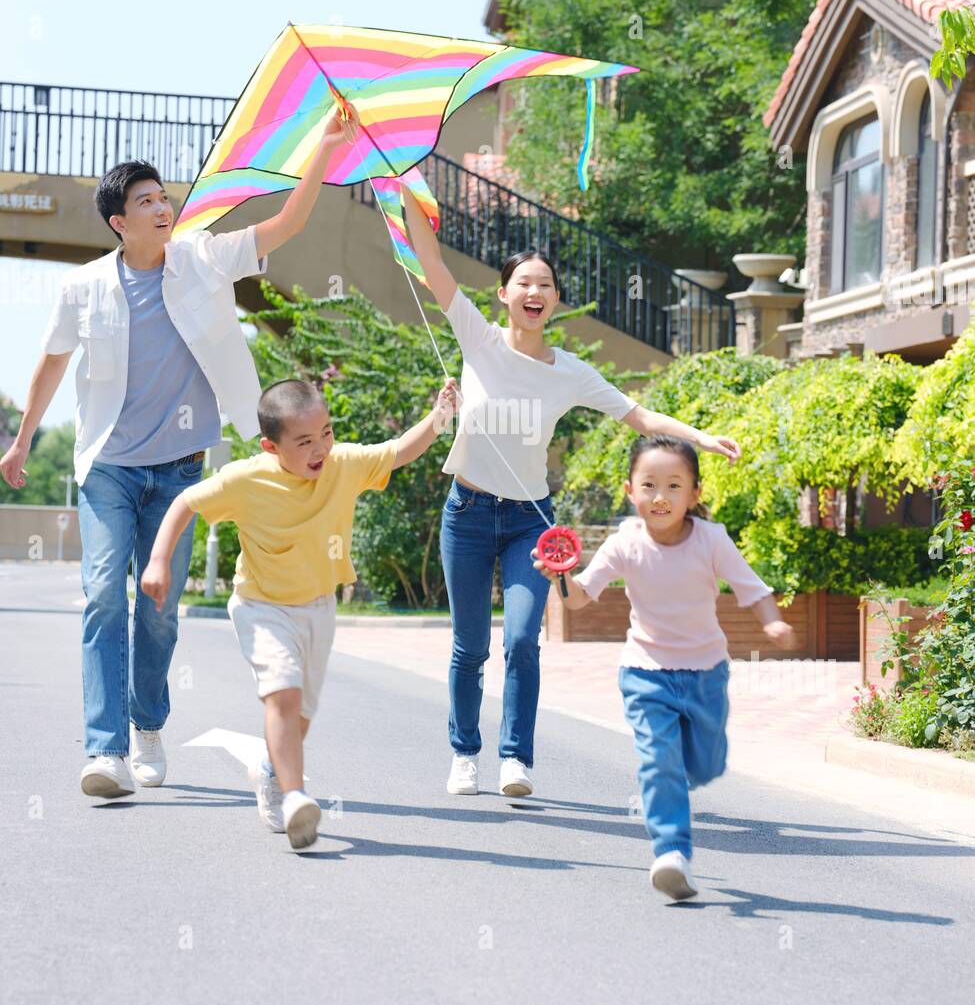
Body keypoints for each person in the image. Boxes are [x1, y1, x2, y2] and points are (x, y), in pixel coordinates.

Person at [0, 104, 361, 800]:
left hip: (180, 470)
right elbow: (49, 365)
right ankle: (103, 750)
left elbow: (285, 224)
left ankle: (148, 726)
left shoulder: (202, 256)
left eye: (164, 197)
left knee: (157, 608)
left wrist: (322, 145)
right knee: (102, 594)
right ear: (119, 222)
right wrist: (21, 441)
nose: (162, 208)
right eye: (146, 202)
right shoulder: (83, 288)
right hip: (107, 465)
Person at [400, 188, 742, 799]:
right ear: (504, 295)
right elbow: (431, 263)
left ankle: (514, 759)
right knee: (469, 646)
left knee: (524, 640)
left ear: (554, 300)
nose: (535, 293)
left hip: (533, 523)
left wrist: (700, 437)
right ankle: (464, 751)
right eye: (524, 283)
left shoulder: (571, 372)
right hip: (469, 515)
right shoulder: (476, 338)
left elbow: (641, 418)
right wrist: (404, 185)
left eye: (546, 285)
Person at [140, 376, 458, 851]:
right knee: (283, 697)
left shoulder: (342, 463)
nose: (320, 448)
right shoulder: (246, 478)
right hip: (261, 606)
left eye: (326, 433)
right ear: (271, 446)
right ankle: (294, 797)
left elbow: (395, 452)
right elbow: (186, 500)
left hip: (318, 607)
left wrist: (438, 419)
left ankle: (271, 768)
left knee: (301, 716)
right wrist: (160, 558)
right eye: (305, 441)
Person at [536, 433, 796, 900]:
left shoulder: (712, 540)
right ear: (629, 490)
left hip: (706, 673)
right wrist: (560, 574)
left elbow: (752, 589)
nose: (661, 496)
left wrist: (773, 624)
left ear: (695, 494)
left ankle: (679, 781)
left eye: (675, 486)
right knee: (658, 761)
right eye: (650, 484)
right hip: (644, 672)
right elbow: (578, 599)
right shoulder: (624, 543)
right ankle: (671, 853)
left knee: (708, 763)